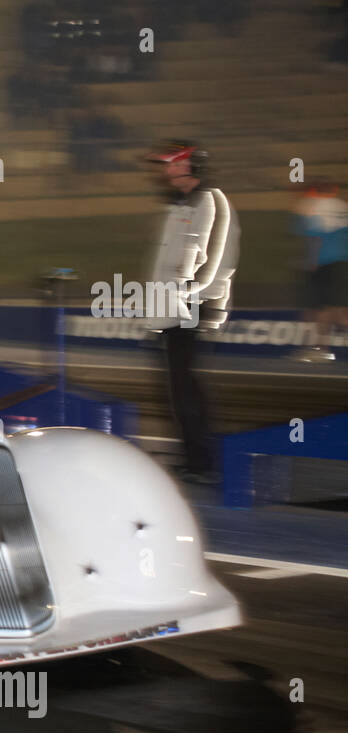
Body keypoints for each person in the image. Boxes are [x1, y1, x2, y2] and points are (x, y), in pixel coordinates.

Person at [144, 140, 240, 484]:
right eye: (166, 164)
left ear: (192, 166)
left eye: (174, 163)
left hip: (194, 307)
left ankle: (202, 461)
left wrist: (192, 296)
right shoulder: (180, 205)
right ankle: (194, 457)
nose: (167, 170)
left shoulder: (211, 201)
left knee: (188, 388)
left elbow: (217, 258)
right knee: (178, 388)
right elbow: (165, 265)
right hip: (174, 308)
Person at [291, 179, 348, 362]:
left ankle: (320, 349)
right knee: (333, 309)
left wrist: (311, 262)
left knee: (323, 309)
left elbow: (314, 236)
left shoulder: (315, 206)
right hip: (340, 262)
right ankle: (318, 347)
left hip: (323, 263)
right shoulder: (342, 206)